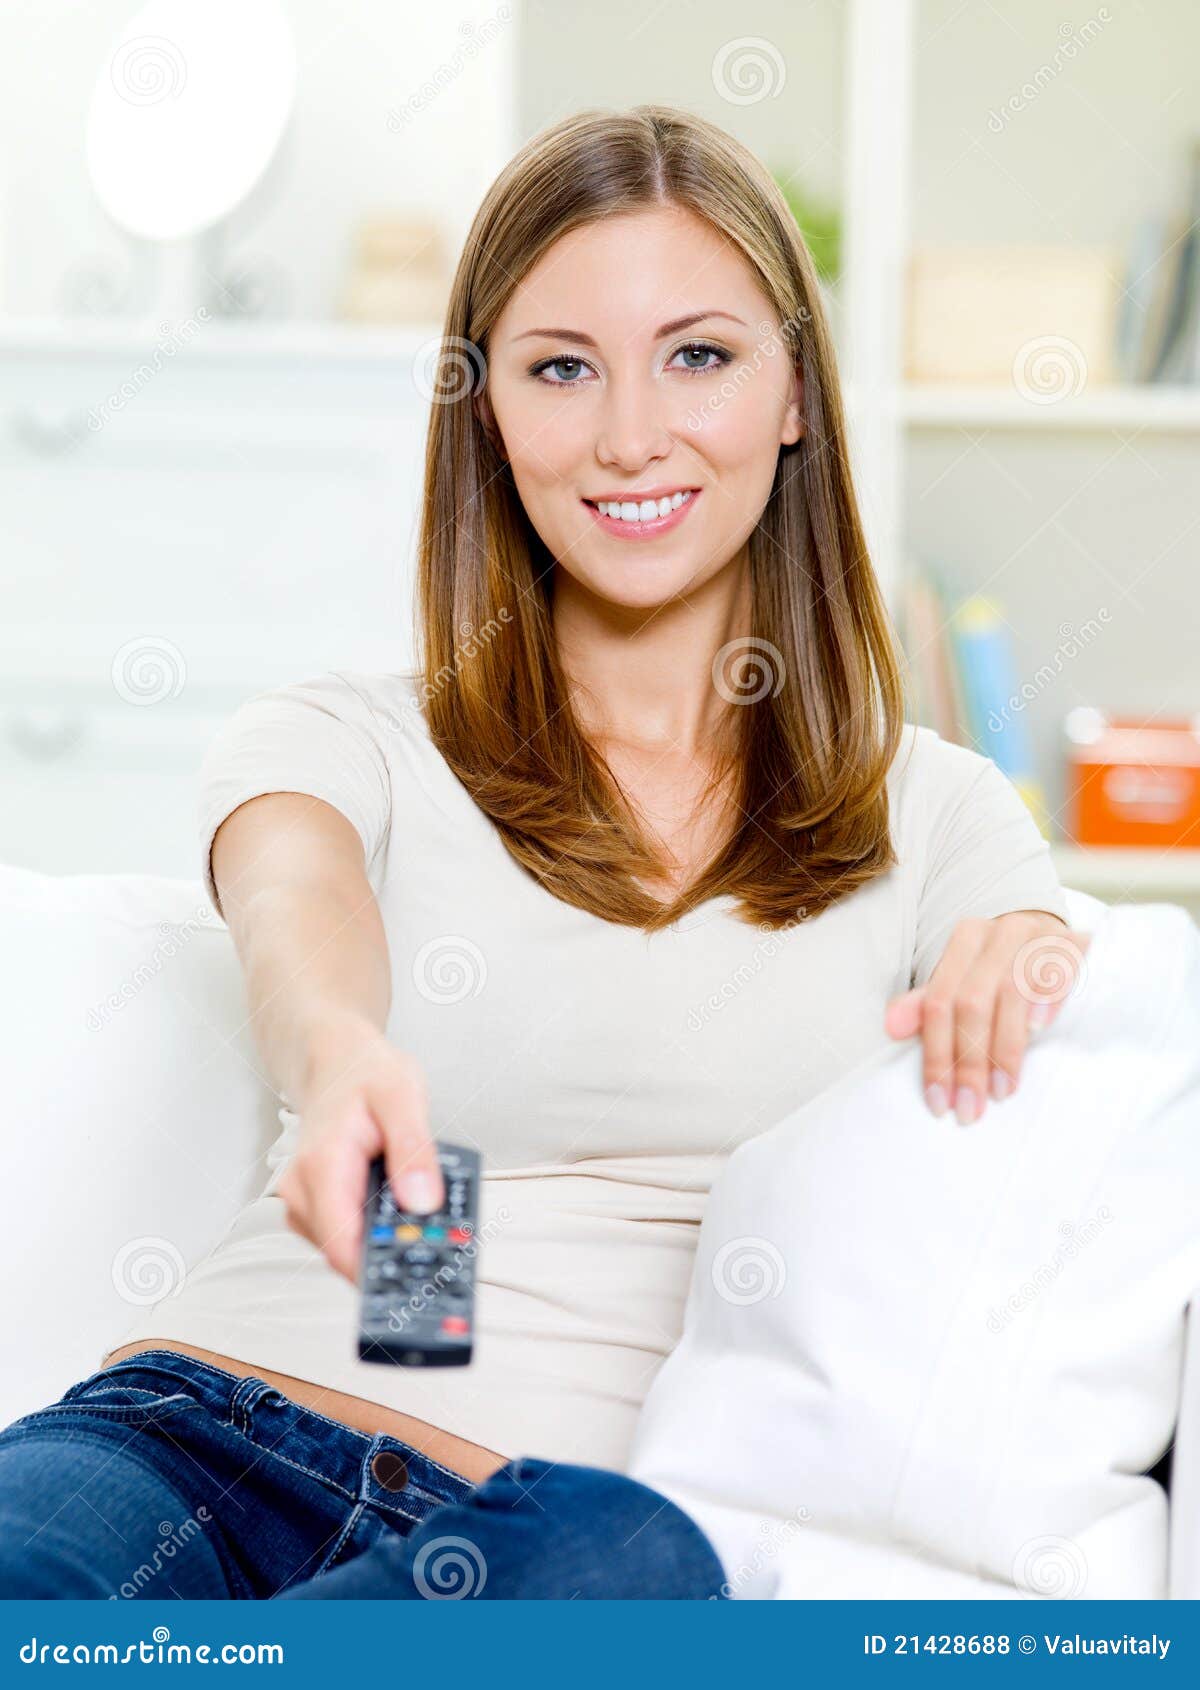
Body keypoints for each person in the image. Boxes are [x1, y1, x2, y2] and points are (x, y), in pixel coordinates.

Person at [0, 104, 1075, 1599]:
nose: (630, 433)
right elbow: (294, 897)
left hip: (538, 1533)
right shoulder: (351, 738)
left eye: (698, 354)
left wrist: (1023, 960)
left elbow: (1064, 991)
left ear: (794, 395)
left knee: (636, 1561)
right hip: (189, 1439)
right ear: (488, 408)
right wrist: (337, 1056)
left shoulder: (938, 813)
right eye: (560, 366)